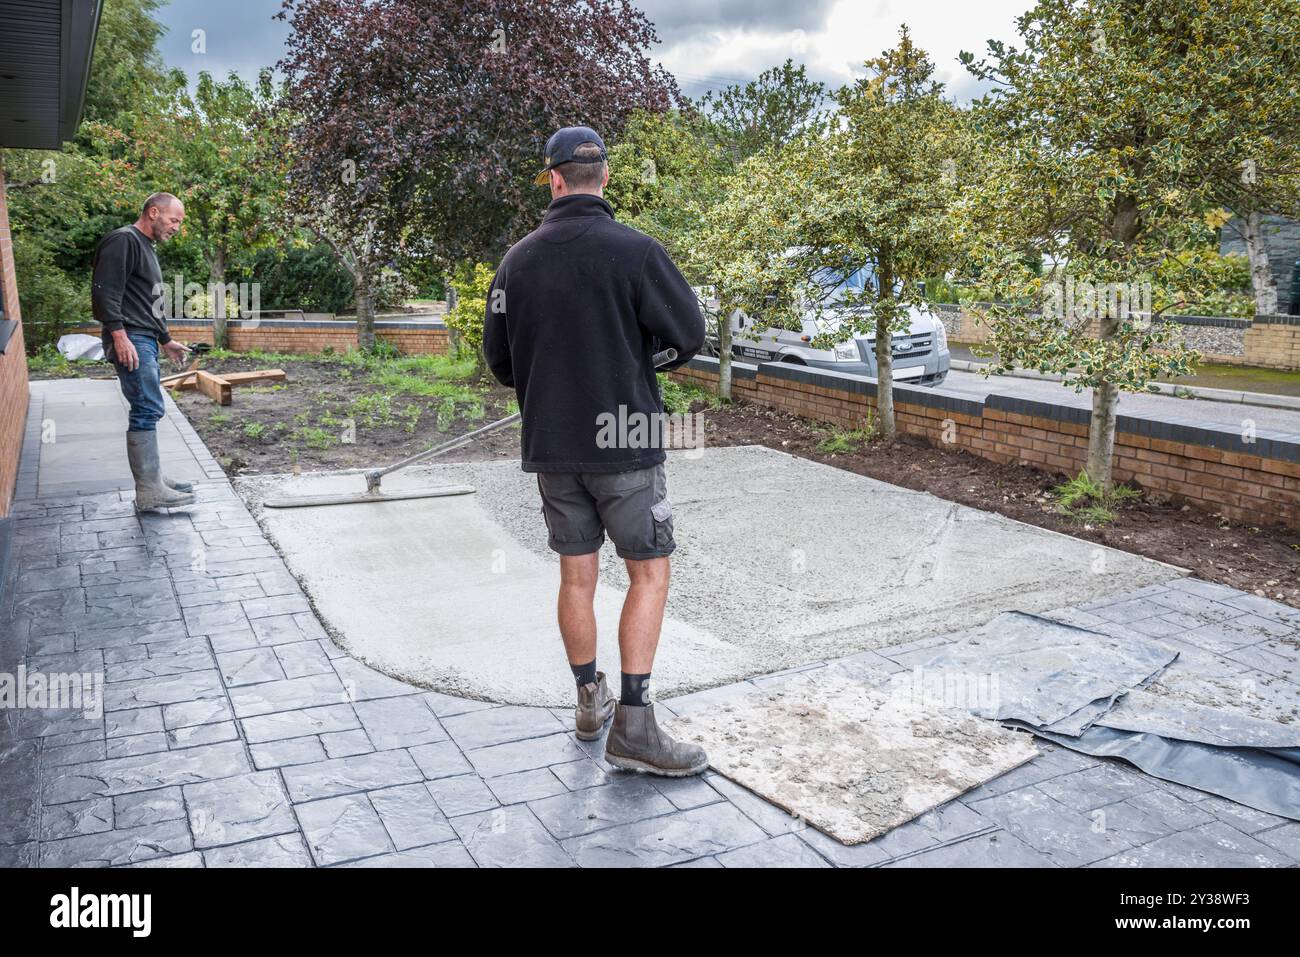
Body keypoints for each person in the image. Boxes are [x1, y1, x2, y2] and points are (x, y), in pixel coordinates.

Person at [483, 126, 709, 776]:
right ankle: (635, 727)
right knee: (649, 573)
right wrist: (645, 358)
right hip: (627, 446)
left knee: (576, 578)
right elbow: (688, 333)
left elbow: (500, 362)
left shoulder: (516, 262)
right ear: (603, 177)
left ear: (553, 179)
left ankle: (590, 702)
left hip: (554, 450)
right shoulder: (636, 252)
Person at [91, 192, 195, 511]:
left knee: (148, 405)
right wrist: (119, 335)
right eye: (174, 220)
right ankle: (149, 489)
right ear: (153, 213)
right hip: (131, 337)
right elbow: (104, 291)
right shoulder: (124, 240)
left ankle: (155, 479)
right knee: (147, 406)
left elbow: (148, 301)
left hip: (144, 336)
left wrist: (165, 339)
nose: (177, 227)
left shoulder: (145, 247)